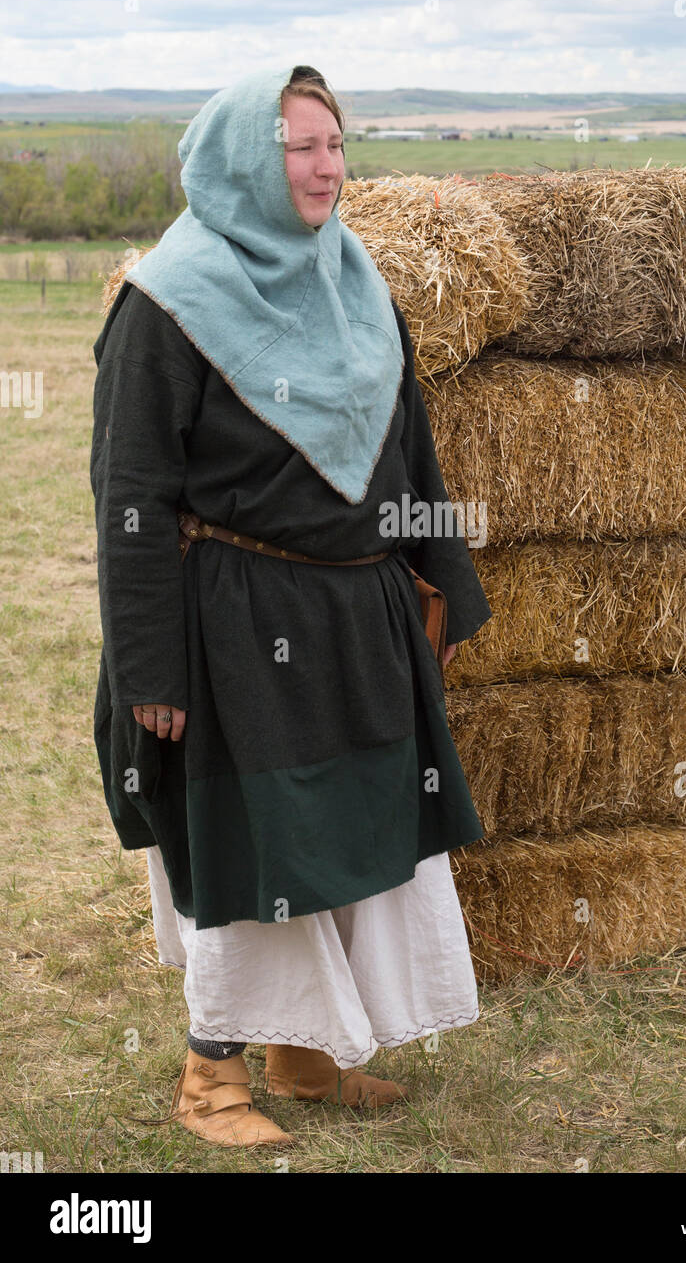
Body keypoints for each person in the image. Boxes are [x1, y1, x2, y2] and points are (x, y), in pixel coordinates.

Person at [90, 63, 493, 1150]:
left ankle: (303, 1049)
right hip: (227, 623)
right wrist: (150, 671)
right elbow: (129, 501)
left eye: (333, 143)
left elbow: (408, 447)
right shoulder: (165, 304)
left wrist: (442, 580)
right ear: (239, 162)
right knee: (250, 844)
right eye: (296, 147)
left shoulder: (353, 281)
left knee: (351, 832)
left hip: (352, 616)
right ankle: (210, 1075)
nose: (325, 167)